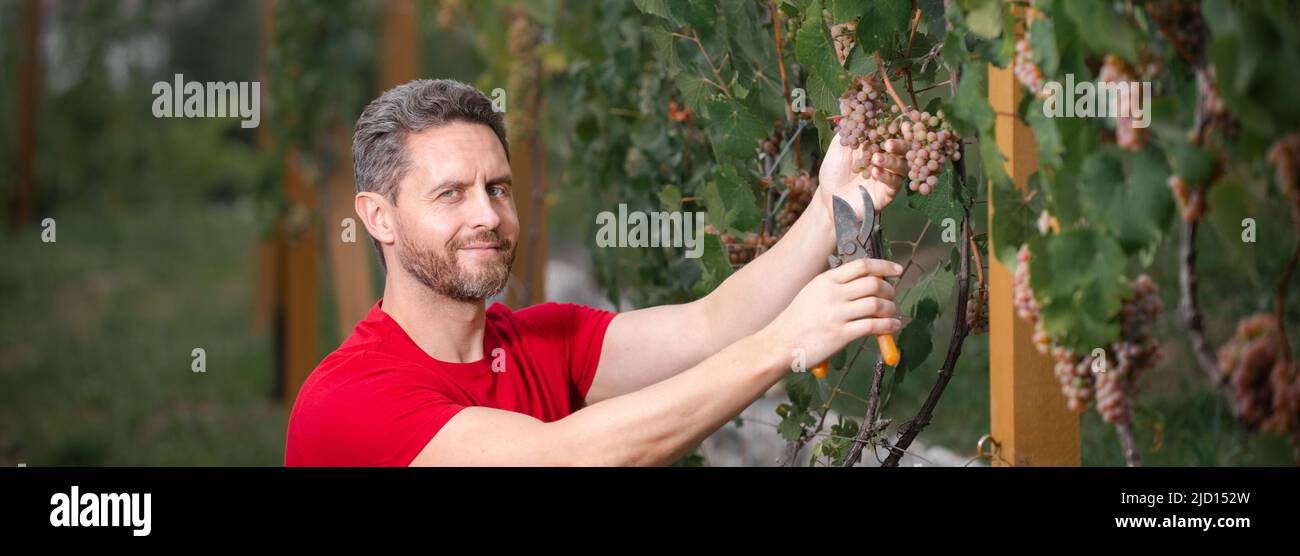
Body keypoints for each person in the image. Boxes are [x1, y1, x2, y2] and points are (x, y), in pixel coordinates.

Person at [284, 79, 910, 466]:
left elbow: (711, 326)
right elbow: (571, 458)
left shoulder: (541, 341)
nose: (488, 215)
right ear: (379, 218)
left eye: (498, 188)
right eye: (450, 194)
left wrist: (832, 212)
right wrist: (783, 346)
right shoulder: (348, 401)